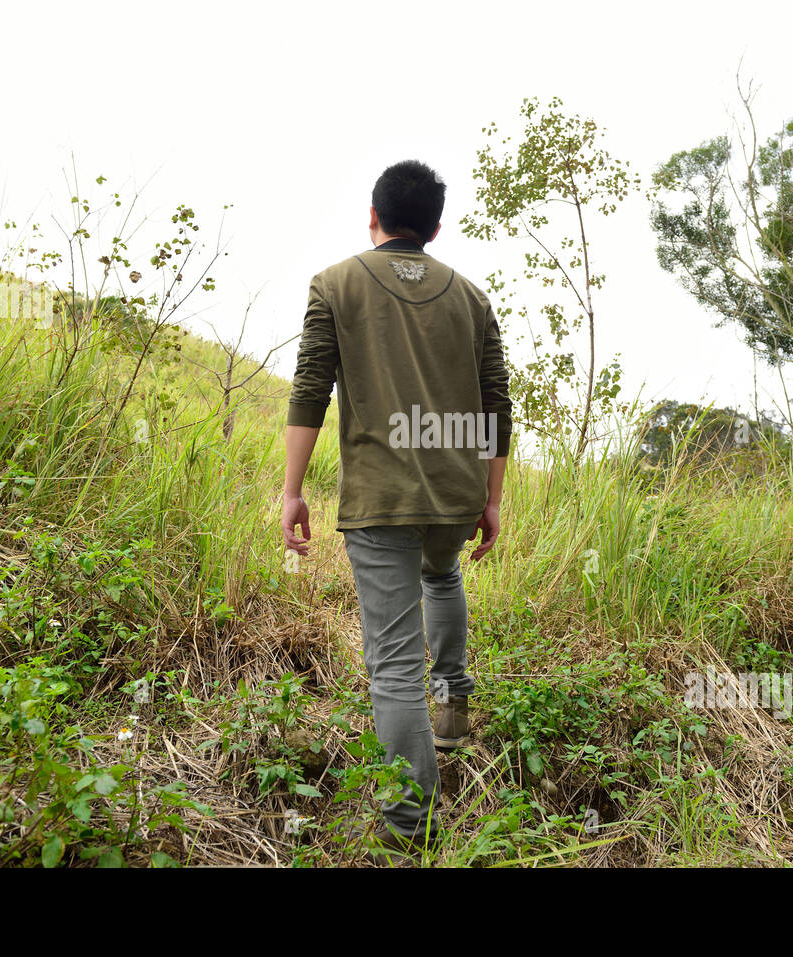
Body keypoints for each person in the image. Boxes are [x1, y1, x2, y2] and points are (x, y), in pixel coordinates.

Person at [281, 159, 513, 856]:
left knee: (391, 667)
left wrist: (291, 490)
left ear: (373, 216)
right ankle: (452, 708)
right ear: (436, 227)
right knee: (442, 577)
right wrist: (492, 498)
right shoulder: (472, 298)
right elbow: (497, 405)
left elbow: (311, 387)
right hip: (455, 494)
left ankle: (408, 828)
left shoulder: (336, 284)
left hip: (382, 498)